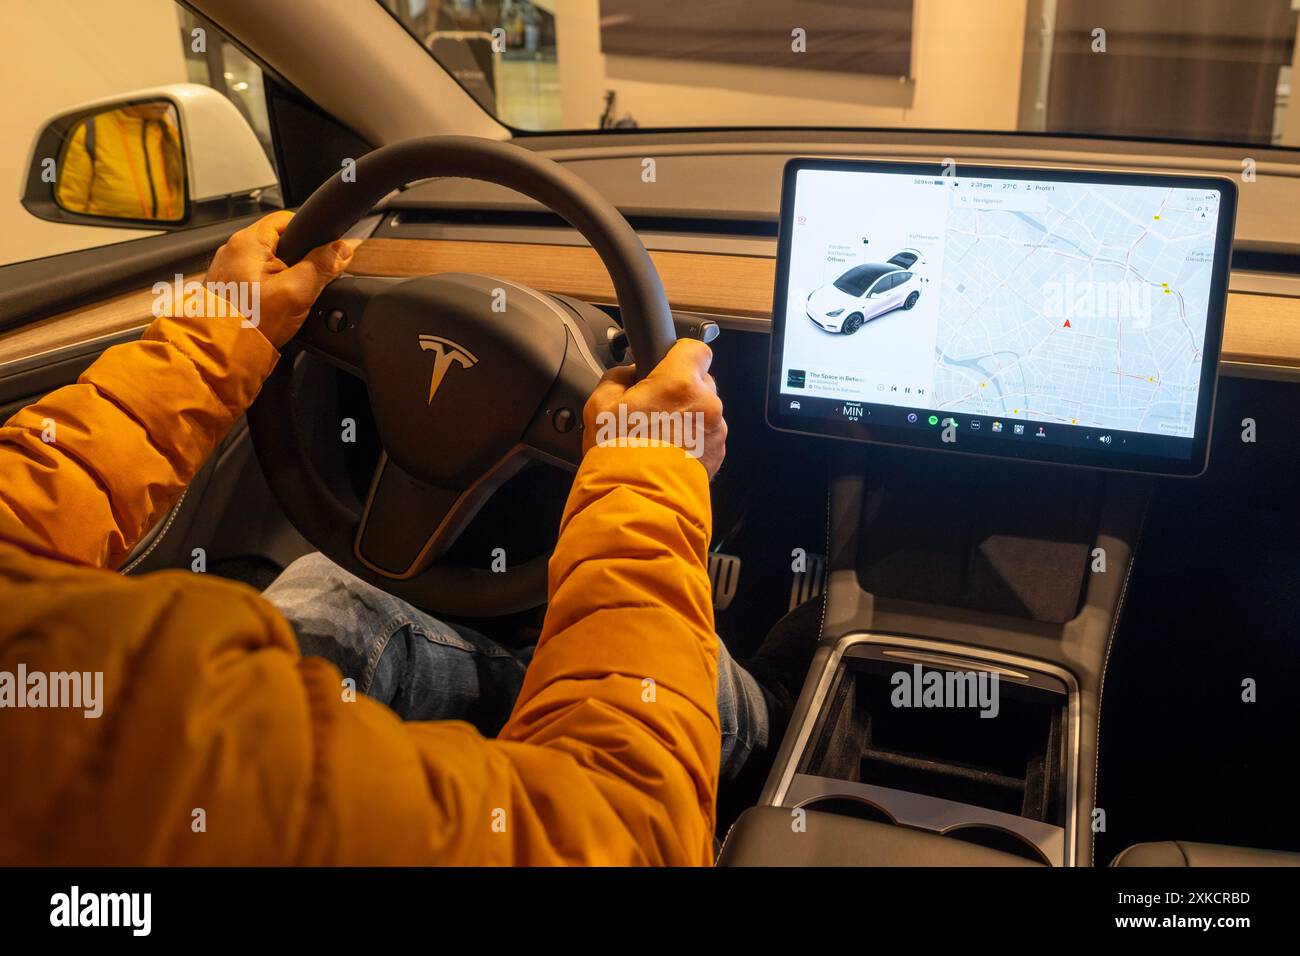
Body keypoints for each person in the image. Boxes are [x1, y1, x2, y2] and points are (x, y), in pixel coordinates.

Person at [0, 211, 777, 865]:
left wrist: (221, 331)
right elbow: (620, 832)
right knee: (696, 683)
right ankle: (767, 721)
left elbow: (22, 516)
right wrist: (649, 468)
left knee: (324, 591)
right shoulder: (126, 751)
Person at [56, 103, 184, 222]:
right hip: (115, 241)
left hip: (173, 238)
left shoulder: (170, 130)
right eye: (154, 97)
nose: (164, 104)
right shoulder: (90, 132)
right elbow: (71, 204)